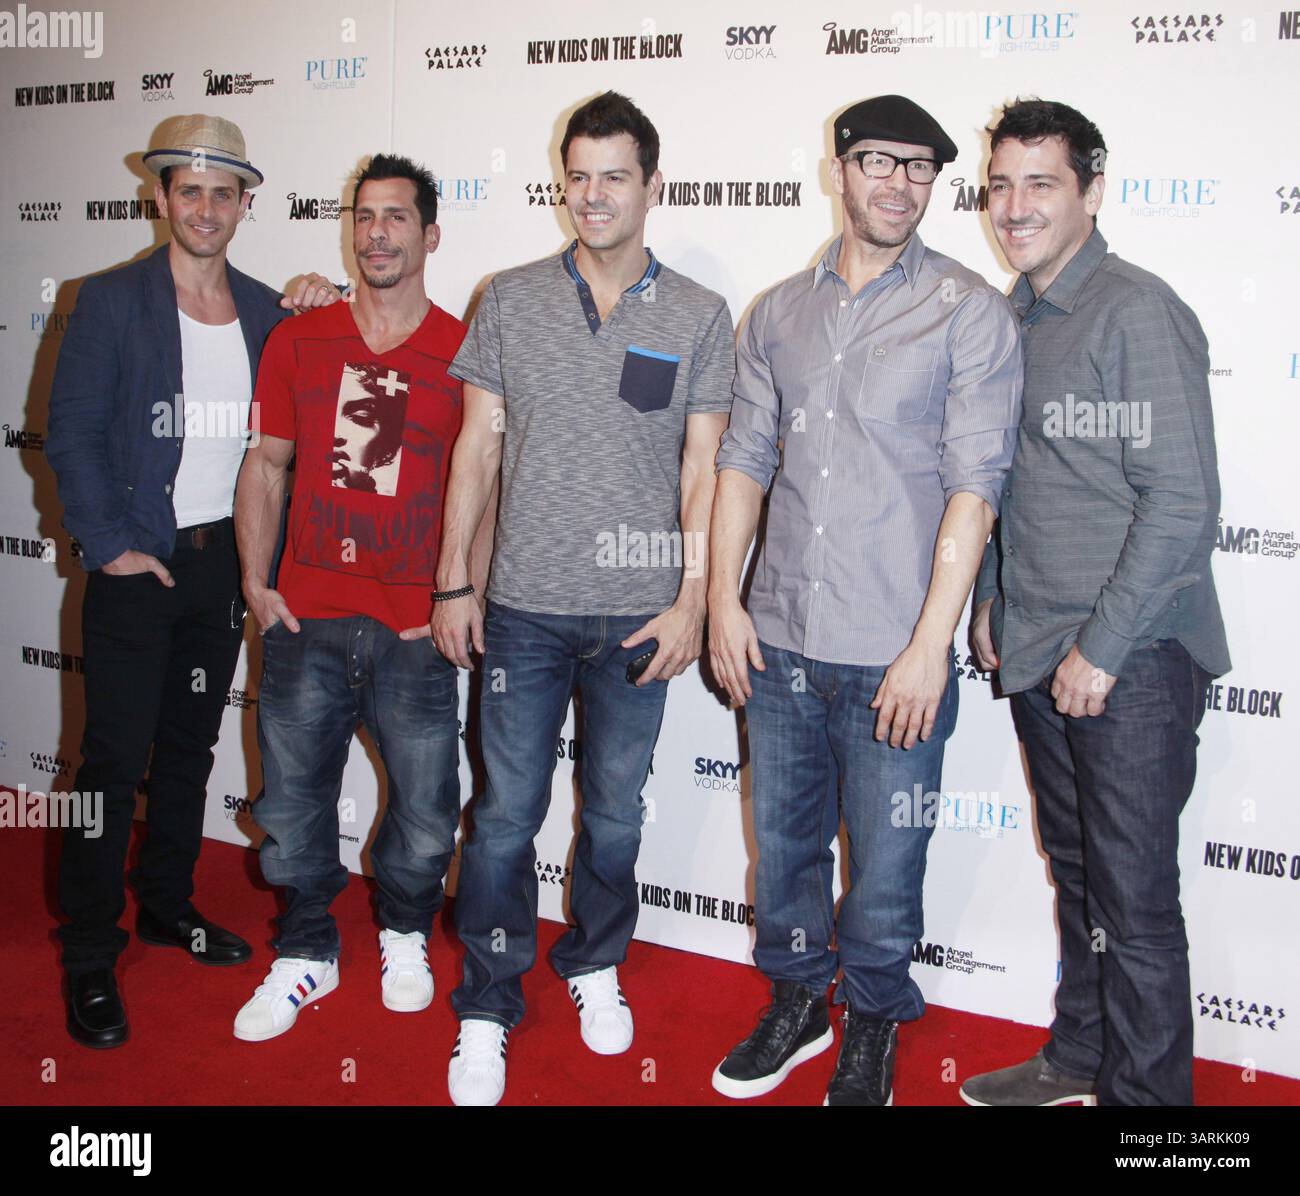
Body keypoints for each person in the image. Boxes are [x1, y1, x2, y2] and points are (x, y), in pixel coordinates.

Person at [708, 95, 1023, 1106]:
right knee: (787, 843)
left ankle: (876, 1010)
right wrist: (722, 598)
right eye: (879, 161)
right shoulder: (776, 313)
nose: (899, 183)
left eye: (921, 168)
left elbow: (976, 485)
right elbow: (745, 460)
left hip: (896, 644)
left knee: (887, 856)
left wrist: (932, 645)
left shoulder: (968, 310)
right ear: (837, 169)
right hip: (783, 637)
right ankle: (799, 997)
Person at [427, 91, 736, 1106]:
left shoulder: (696, 314)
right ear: (559, 182)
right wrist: (453, 579)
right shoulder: (507, 297)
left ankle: (594, 961)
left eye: (614, 175)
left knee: (612, 815)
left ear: (652, 184)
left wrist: (693, 596)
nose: (592, 195)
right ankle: (487, 999)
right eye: (577, 175)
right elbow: (475, 445)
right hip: (520, 605)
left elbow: (702, 469)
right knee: (507, 814)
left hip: (639, 616)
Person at [46, 114, 338, 1049]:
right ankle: (89, 947)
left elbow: (329, 382)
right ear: (161, 197)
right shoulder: (110, 299)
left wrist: (322, 301)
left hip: (222, 569)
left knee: (187, 754)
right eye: (189, 190)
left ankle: (168, 904)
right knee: (109, 764)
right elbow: (73, 436)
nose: (206, 207)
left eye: (225, 192)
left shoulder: (265, 310)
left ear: (247, 204)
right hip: (139, 566)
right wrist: (109, 545)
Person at [961, 99, 1230, 1107]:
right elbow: (1006, 473)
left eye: (1041, 183)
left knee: (1135, 900)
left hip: (1132, 663)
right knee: (1079, 878)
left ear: (1091, 191)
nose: (1014, 206)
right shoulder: (1009, 315)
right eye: (1000, 184)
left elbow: (1182, 504)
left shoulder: (1134, 311)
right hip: (1037, 648)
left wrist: (1101, 648)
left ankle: (1151, 1112)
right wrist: (991, 595)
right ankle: (1080, 1055)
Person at [231, 154, 474, 1042]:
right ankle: (305, 951)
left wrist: (458, 592)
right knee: (292, 805)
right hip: (307, 617)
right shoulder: (301, 337)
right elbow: (266, 464)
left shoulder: (462, 348)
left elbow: (479, 485)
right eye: (364, 216)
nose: (377, 232)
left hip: (415, 623)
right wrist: (258, 584)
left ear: (430, 234)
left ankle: (404, 932)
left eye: (397, 217)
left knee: (423, 810)